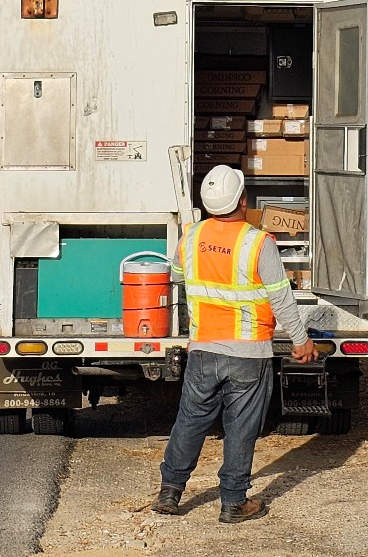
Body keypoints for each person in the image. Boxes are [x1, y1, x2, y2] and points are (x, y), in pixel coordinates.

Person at [152, 163, 318, 525]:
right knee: (241, 427)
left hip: (204, 349)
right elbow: (282, 300)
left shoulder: (191, 237)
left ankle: (170, 492)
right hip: (248, 353)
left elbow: (177, 276)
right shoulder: (259, 243)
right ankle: (233, 502)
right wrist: (302, 342)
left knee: (191, 421)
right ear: (243, 200)